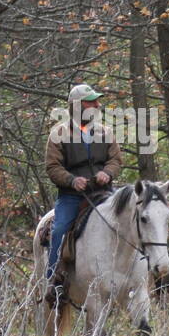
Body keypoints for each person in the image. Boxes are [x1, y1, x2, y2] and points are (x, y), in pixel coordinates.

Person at [43, 82, 123, 307]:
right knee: (58, 230)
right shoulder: (58, 134)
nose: (97, 105)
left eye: (97, 101)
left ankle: (159, 274)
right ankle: (54, 280)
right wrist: (71, 180)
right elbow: (52, 166)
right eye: (92, 102)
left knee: (136, 214)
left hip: (103, 193)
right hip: (72, 196)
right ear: (77, 106)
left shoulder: (105, 132)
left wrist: (107, 173)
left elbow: (116, 159)